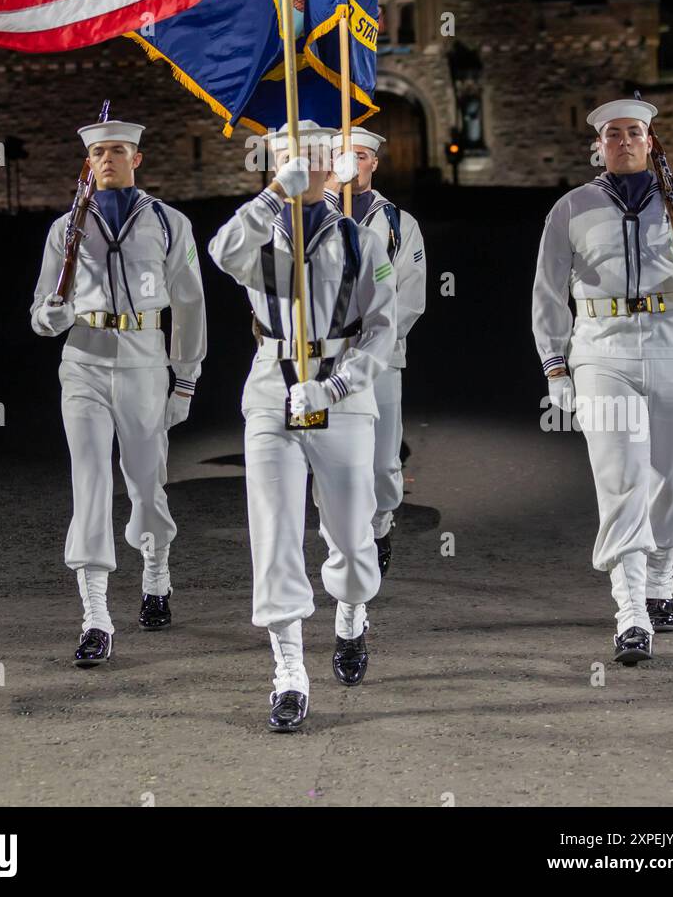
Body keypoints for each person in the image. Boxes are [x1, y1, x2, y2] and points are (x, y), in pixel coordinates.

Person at [208, 121, 396, 731]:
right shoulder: (259, 230)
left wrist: (338, 384)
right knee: (274, 525)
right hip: (272, 386)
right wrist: (270, 197)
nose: (306, 167)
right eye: (291, 158)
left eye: (316, 157)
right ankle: (288, 669)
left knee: (349, 526)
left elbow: (381, 329)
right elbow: (221, 252)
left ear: (333, 164)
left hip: (339, 389)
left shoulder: (362, 238)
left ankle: (350, 615)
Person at [532, 98, 673, 664]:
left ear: (650, 140)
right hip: (604, 351)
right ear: (599, 145)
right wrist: (555, 366)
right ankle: (630, 611)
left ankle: (662, 577)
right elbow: (548, 293)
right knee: (621, 476)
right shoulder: (572, 208)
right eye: (613, 134)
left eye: (634, 132)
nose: (624, 141)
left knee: (670, 475)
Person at [31, 117, 207, 667]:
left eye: (117, 150)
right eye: (98, 152)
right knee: (90, 481)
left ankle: (156, 574)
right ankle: (95, 616)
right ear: (88, 161)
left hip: (144, 362)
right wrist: (51, 317)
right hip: (83, 360)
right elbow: (40, 310)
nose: (107, 159)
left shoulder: (169, 223)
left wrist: (185, 378)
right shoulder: (66, 227)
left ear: (137, 158)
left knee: (147, 479)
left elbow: (190, 303)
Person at [325, 128, 426, 576]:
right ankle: (343, 542)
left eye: (361, 155)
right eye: (344, 156)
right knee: (330, 456)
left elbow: (411, 295)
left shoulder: (400, 224)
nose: (353, 163)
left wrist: (375, 343)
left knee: (383, 461)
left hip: (382, 360)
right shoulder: (307, 216)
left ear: (374, 164)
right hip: (324, 358)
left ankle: (381, 523)